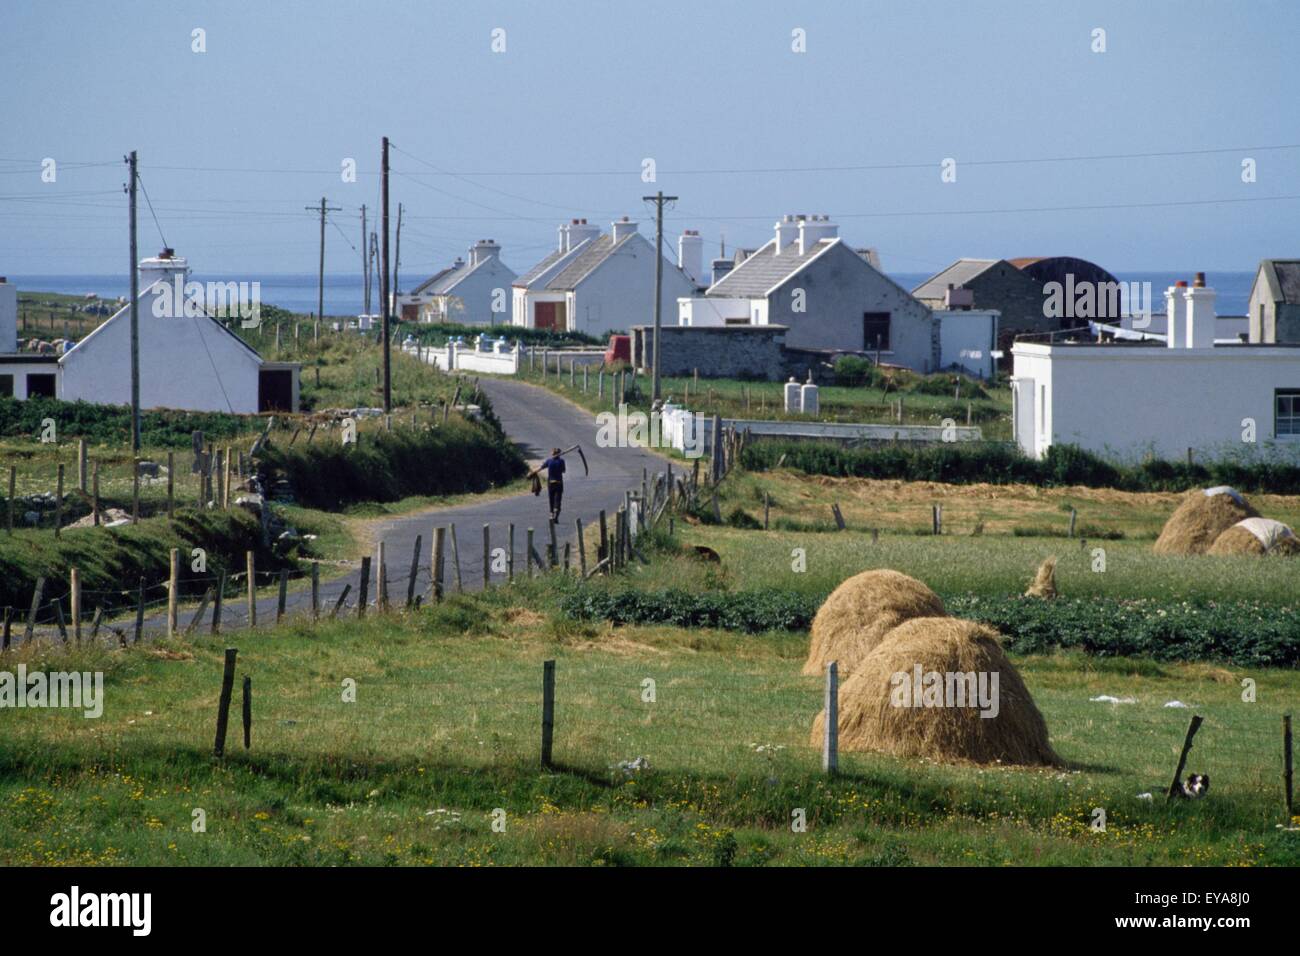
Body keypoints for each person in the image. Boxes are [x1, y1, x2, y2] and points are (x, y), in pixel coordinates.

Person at [541, 447, 566, 521]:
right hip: (559, 483)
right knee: (558, 499)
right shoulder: (561, 461)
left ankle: (551, 513)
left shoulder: (549, 461)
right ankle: (556, 511)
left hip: (551, 483)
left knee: (551, 498)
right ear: (559, 454)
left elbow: (542, 467)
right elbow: (563, 471)